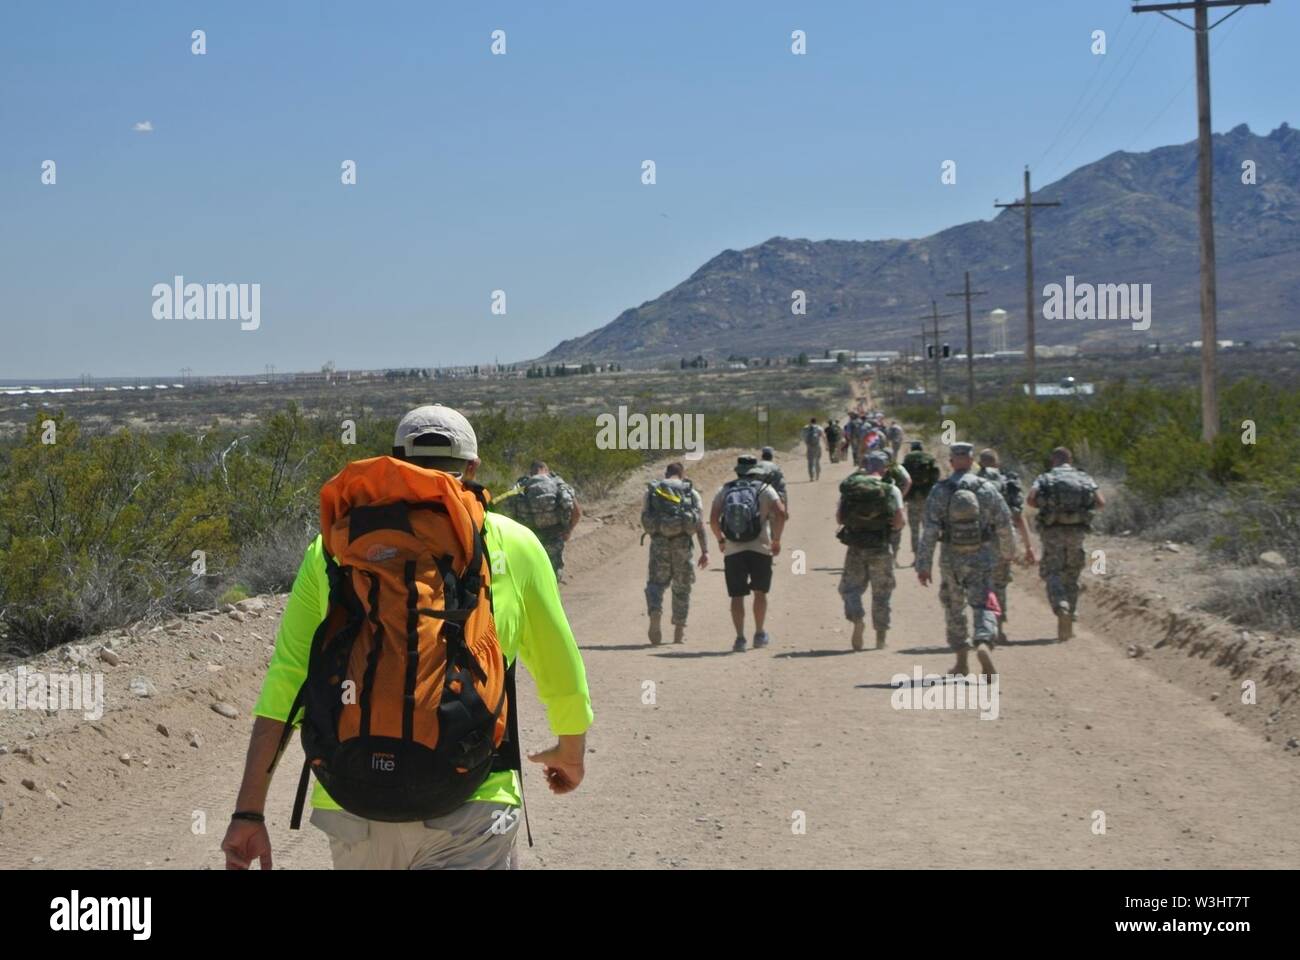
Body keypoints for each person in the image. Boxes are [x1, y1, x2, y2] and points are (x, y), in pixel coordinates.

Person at [222, 404, 593, 870]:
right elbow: (560, 666)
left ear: (395, 461)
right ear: (471, 467)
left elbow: (288, 681)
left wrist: (248, 811)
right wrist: (571, 751)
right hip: (472, 798)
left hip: (354, 801)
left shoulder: (334, 548)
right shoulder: (512, 542)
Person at [915, 442, 1014, 677]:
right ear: (972, 461)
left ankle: (961, 659)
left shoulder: (940, 490)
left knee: (954, 605)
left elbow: (929, 530)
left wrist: (923, 564)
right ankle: (983, 642)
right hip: (982, 554)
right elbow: (1004, 522)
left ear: (951, 462)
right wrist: (1008, 552)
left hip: (951, 556)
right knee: (984, 601)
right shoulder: (987, 488)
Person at [1027, 446, 1104, 642]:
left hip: (1052, 531)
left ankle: (1061, 605)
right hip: (1077, 531)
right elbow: (1100, 502)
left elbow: (1030, 499)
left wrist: (1047, 508)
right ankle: (1072, 613)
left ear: (1053, 460)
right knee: (1073, 573)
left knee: (1052, 571)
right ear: (1070, 459)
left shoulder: (1045, 477)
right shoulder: (1084, 477)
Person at [711, 457, 787, 652]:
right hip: (760, 548)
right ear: (755, 471)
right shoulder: (764, 489)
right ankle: (759, 633)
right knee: (760, 592)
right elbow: (781, 512)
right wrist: (776, 539)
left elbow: (713, 519)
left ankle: (740, 638)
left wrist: (721, 539)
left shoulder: (725, 489)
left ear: (737, 471)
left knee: (737, 595)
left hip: (733, 550)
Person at [837, 451, 905, 650]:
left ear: (866, 466)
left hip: (856, 546)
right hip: (881, 546)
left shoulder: (852, 488)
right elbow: (899, 522)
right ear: (884, 468)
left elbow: (840, 519)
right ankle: (880, 637)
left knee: (850, 588)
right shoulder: (890, 489)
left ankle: (857, 617)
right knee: (882, 592)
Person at [641, 462, 710, 645]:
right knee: (682, 586)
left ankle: (655, 612)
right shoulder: (690, 492)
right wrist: (705, 551)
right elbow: (700, 524)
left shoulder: (654, 491)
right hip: (683, 544)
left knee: (656, 583)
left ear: (666, 473)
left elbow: (645, 516)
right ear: (682, 474)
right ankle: (679, 631)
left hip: (659, 542)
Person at [977, 449, 1037, 643]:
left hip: (975, 542)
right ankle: (998, 626)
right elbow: (1019, 518)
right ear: (997, 463)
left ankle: (984, 628)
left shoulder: (970, 483)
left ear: (979, 463)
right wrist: (1029, 547)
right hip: (1002, 539)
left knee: (979, 584)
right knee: (1000, 584)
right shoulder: (1007, 484)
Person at [493, 460, 582, 581]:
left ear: (531, 472)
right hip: (554, 537)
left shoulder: (521, 487)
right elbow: (577, 512)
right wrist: (569, 530)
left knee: (532, 574)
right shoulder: (558, 484)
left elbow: (508, 514)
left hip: (530, 539)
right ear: (547, 470)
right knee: (553, 574)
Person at [902, 441, 941, 560]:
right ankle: (926, 556)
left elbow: (903, 478)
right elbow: (936, 477)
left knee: (914, 530)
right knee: (927, 528)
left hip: (913, 498)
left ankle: (916, 556)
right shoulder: (929, 458)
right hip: (927, 498)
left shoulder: (907, 459)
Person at [877, 449, 912, 562]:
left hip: (879, 505)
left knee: (881, 529)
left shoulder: (875, 467)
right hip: (894, 503)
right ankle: (894, 556)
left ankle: (884, 555)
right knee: (896, 529)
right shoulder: (898, 467)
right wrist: (900, 497)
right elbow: (908, 481)